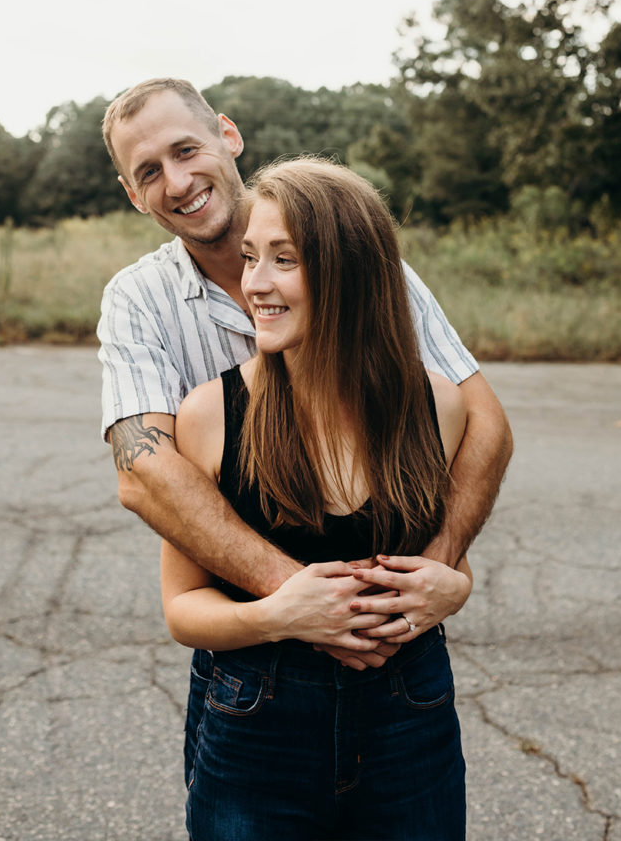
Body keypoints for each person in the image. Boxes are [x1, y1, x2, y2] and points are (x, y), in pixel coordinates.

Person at [98, 78, 512, 670]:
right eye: (149, 172)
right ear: (133, 194)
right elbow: (143, 472)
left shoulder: (354, 257)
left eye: (186, 150)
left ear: (228, 134)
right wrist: (305, 602)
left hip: (396, 657)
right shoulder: (138, 299)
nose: (178, 182)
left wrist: (438, 570)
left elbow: (483, 422)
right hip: (252, 656)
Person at [160, 157, 470, 837]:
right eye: (250, 257)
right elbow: (183, 610)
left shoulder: (437, 406)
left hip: (410, 716)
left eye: (284, 260)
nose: (254, 284)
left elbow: (445, 564)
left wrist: (456, 588)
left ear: (351, 273)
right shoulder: (211, 414)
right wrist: (278, 615)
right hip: (257, 722)